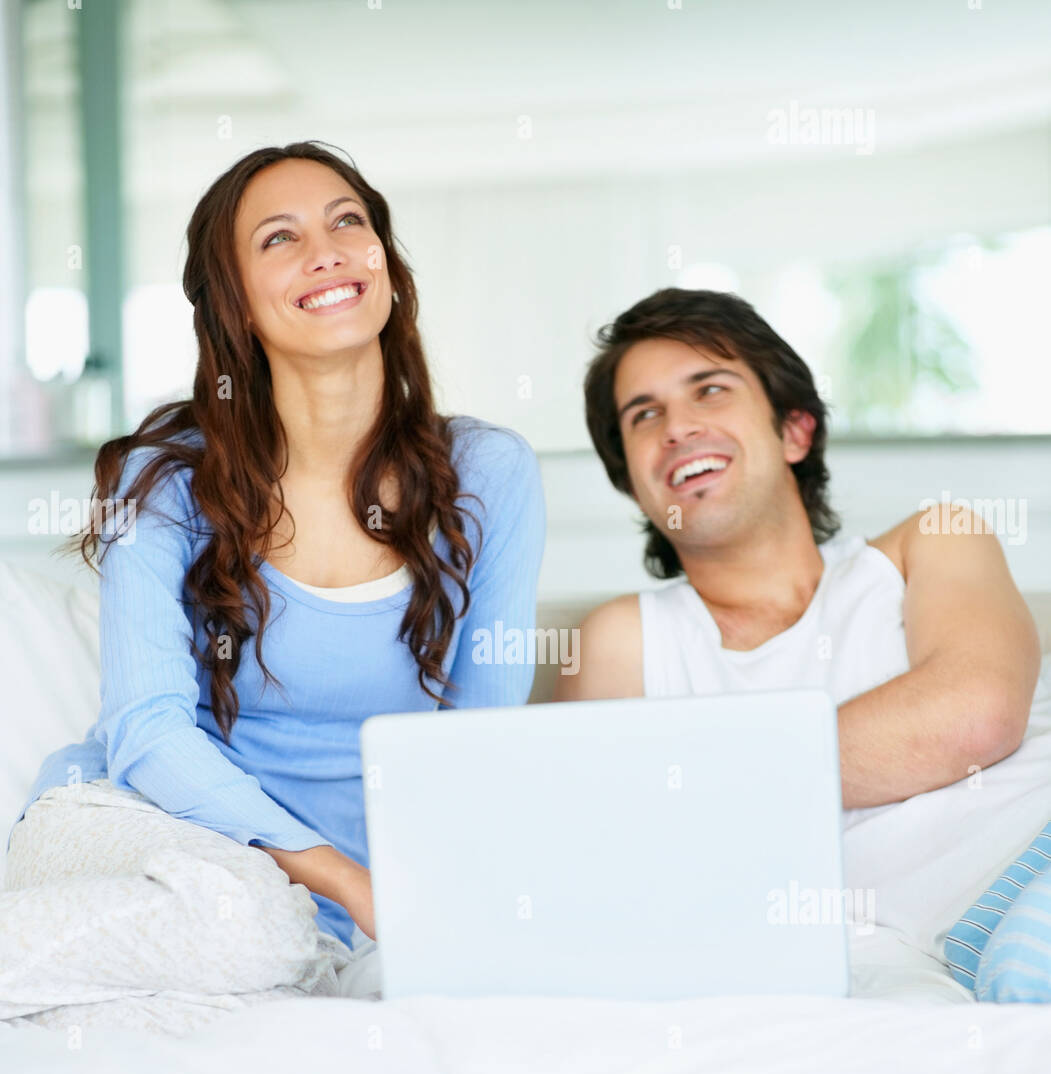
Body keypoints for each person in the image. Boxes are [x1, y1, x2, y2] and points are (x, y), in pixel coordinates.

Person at [3, 141, 545, 1020]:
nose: (325, 251)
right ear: (237, 307)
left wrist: (441, 894)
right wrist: (339, 875)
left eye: (347, 223)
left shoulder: (489, 472)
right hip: (136, 838)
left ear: (387, 268)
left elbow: (479, 731)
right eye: (278, 239)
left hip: (331, 913)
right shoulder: (169, 481)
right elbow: (147, 733)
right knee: (255, 925)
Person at [556, 286, 1051, 1001]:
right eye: (643, 414)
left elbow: (973, 715)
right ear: (632, 482)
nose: (676, 427)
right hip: (941, 955)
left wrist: (691, 780)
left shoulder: (930, 543)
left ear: (794, 431)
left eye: (710, 390)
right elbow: (613, 847)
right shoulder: (623, 640)